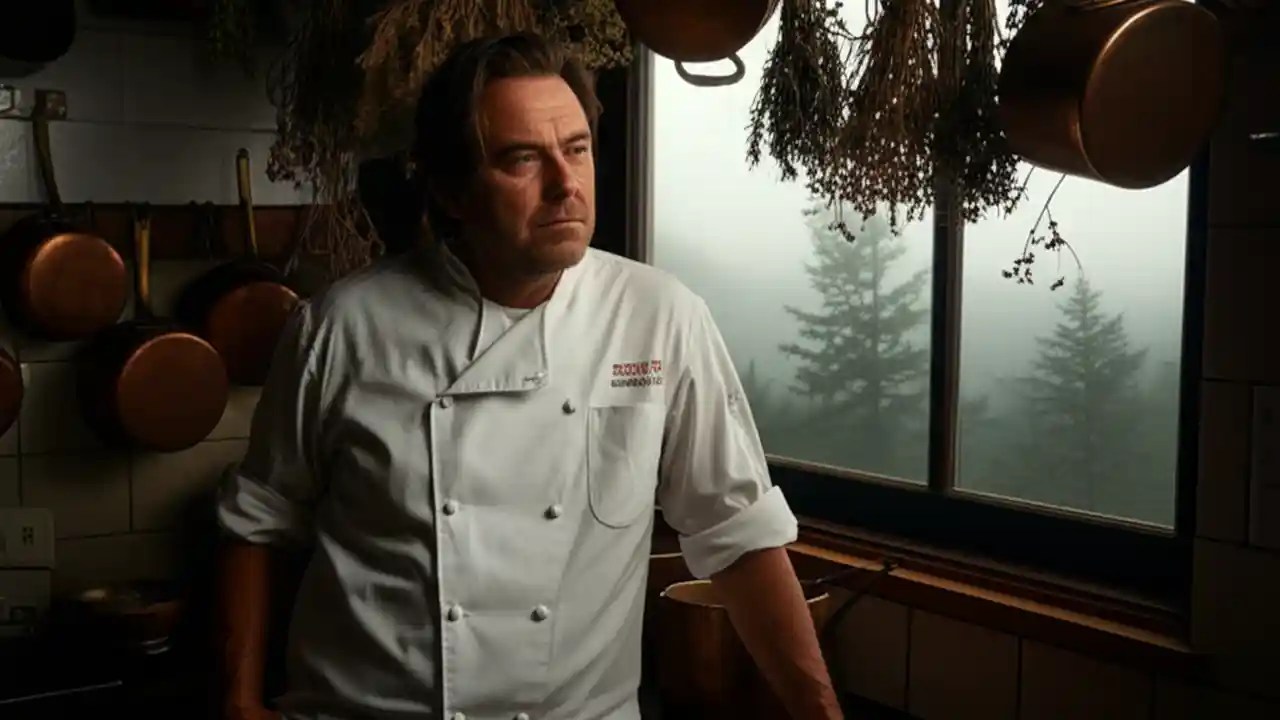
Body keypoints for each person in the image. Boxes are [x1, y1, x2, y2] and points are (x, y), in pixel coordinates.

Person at [213, 31, 843, 720]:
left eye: (576, 149)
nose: (565, 184)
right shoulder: (341, 328)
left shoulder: (661, 318)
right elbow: (258, 520)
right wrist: (240, 701)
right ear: (452, 192)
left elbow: (741, 538)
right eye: (522, 159)